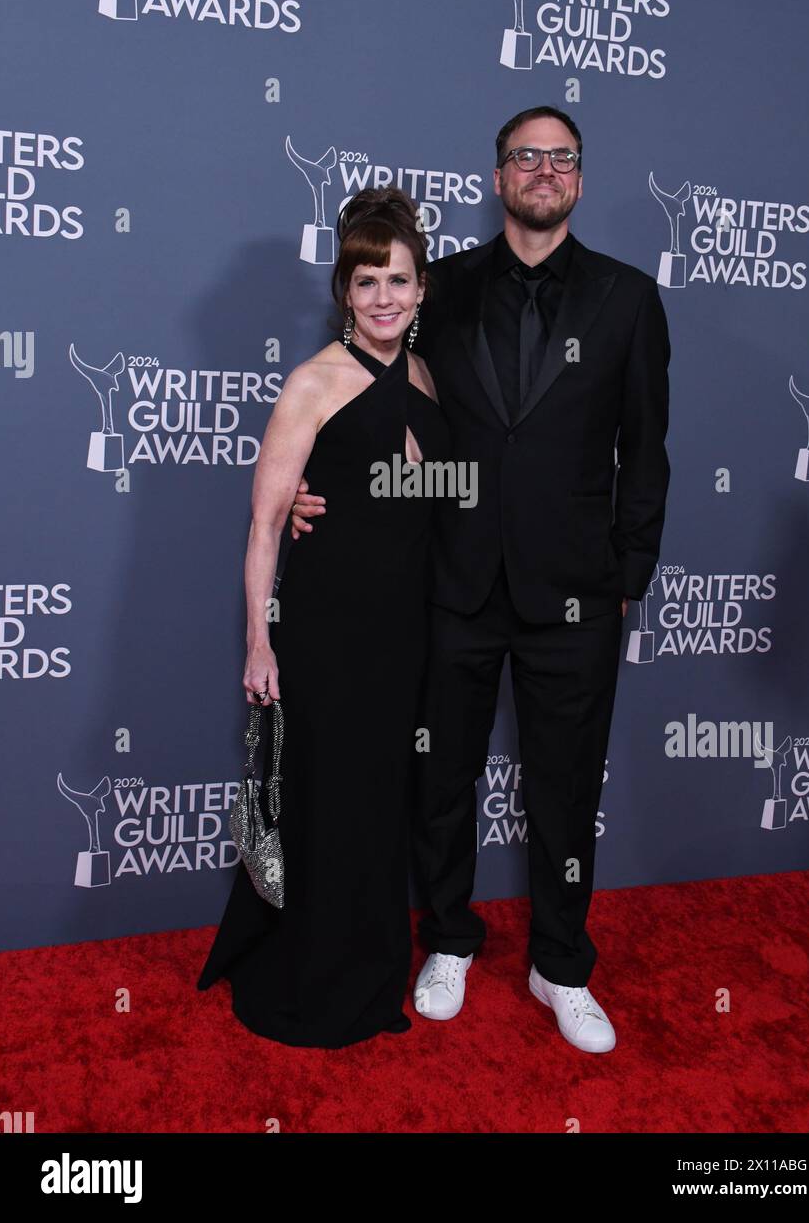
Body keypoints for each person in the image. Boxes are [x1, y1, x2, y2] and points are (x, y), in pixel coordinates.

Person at [292, 106, 670, 1053]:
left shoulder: (629, 300)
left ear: (579, 178)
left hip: (576, 592)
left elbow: (647, 449)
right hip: (449, 581)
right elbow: (372, 390)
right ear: (498, 175)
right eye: (525, 156)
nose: (544, 170)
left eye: (561, 157)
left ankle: (561, 963)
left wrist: (630, 568)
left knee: (567, 786)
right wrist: (313, 483)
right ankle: (451, 938)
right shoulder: (440, 288)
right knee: (441, 776)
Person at [197, 187, 450, 1048]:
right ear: (346, 290)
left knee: (380, 803)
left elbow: (423, 493)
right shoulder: (313, 381)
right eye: (368, 280)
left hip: (402, 632)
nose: (385, 296)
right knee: (328, 800)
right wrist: (259, 641)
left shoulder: (421, 376)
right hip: (327, 628)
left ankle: (375, 974)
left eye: (401, 280)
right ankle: (314, 977)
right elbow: (267, 523)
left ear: (421, 292)